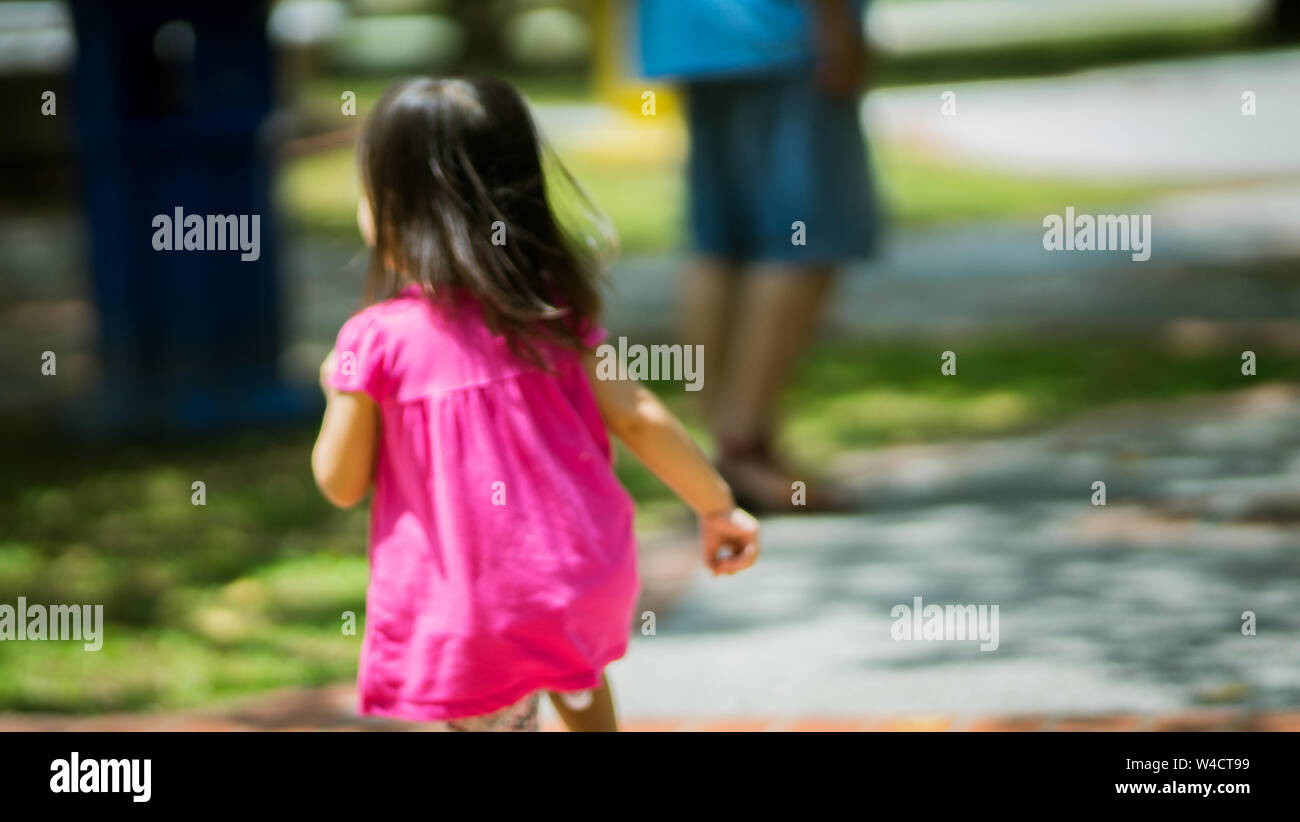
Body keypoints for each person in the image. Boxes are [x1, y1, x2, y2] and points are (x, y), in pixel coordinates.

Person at [310, 77, 760, 732]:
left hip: (466, 614)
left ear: (396, 209)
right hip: (576, 587)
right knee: (575, 678)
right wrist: (717, 507)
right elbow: (637, 415)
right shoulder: (551, 313)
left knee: (487, 705)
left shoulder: (371, 342)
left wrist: (337, 389)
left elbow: (340, 483)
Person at [637, 0, 880, 511]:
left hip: (690, 34)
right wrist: (835, 28)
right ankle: (743, 448)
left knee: (718, 241)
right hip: (783, 34)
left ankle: (720, 456)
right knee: (804, 237)